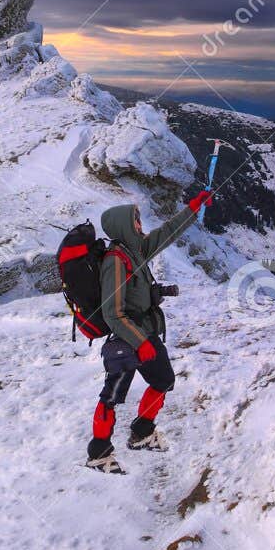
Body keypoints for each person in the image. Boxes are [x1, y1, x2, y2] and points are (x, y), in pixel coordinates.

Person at [85, 191, 211, 473]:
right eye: (136, 222)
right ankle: (98, 453)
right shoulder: (115, 261)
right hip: (127, 339)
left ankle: (142, 433)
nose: (141, 226)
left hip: (145, 334)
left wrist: (192, 208)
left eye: (139, 221)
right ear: (124, 226)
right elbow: (112, 312)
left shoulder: (136, 251)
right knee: (113, 395)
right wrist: (140, 342)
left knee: (164, 379)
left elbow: (167, 233)